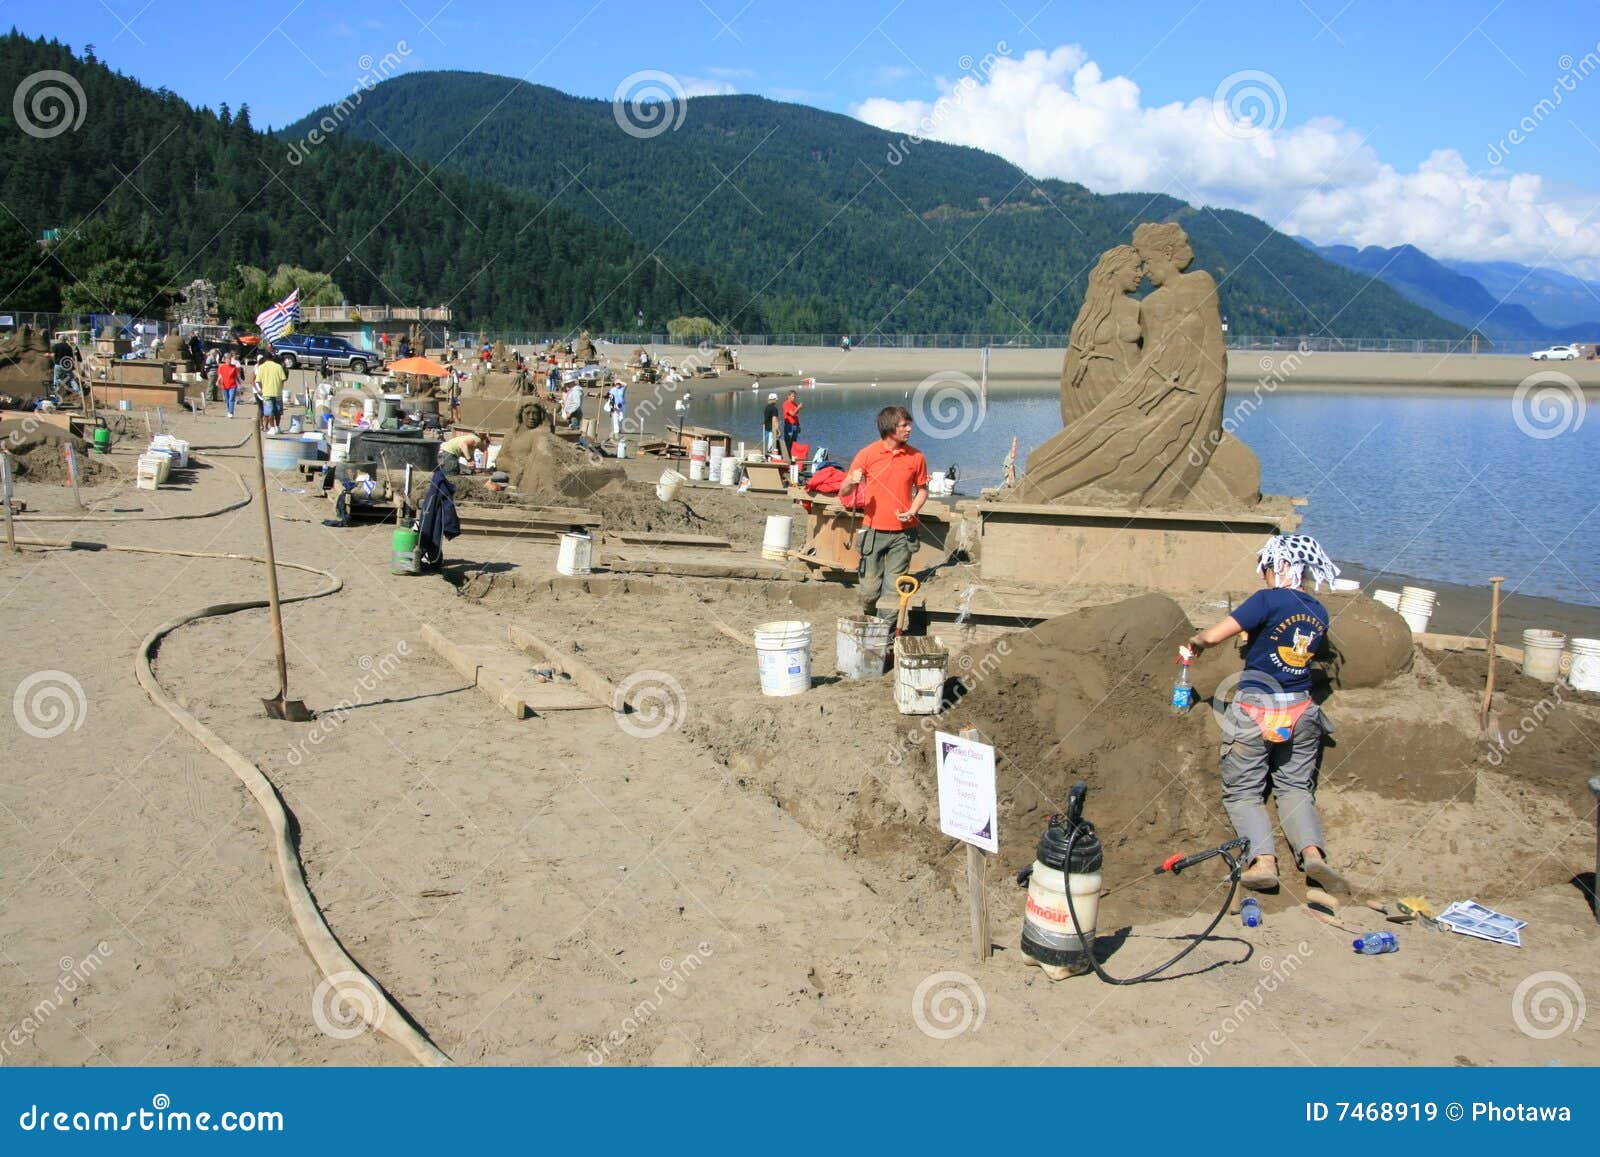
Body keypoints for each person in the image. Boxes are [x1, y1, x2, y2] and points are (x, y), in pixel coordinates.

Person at [1184, 534, 1348, 895]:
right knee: (1294, 787)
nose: (1263, 577)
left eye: (1267, 569)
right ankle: (1312, 853)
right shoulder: (1317, 610)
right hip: (1302, 711)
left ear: (1282, 567)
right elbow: (1290, 645)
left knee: (1243, 792)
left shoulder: (1265, 601)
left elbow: (1216, 635)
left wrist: (1196, 642)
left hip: (1258, 708)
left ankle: (1263, 862)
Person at [838, 406, 929, 622]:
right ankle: (870, 620)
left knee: (893, 590)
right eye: (904, 425)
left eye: (909, 424)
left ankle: (884, 636)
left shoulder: (917, 456)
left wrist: (913, 510)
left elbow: (923, 490)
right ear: (890, 429)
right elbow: (843, 492)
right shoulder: (867, 454)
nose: (909, 429)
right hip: (873, 531)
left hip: (903, 535)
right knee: (869, 591)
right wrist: (852, 480)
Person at [254, 350, 286, 433]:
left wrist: (262, 389)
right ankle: (278, 427)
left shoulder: (261, 367)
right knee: (278, 411)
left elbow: (258, 381)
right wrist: (280, 387)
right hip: (277, 391)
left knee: (270, 411)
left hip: (266, 392)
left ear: (265, 358)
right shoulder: (278, 366)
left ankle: (272, 428)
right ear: (272, 358)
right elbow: (283, 379)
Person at [217, 353, 241, 418]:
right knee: (227, 399)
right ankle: (229, 410)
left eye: (230, 359)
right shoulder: (221, 367)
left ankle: (231, 412)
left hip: (233, 385)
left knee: (231, 399)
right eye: (227, 359)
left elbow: (236, 376)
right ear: (224, 360)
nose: (229, 361)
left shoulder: (234, 367)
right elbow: (220, 375)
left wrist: (239, 383)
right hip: (224, 385)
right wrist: (217, 381)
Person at [762, 392, 782, 457]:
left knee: (768, 445)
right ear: (774, 399)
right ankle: (770, 458)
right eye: (776, 399)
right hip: (771, 429)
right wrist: (778, 430)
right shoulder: (774, 409)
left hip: (766, 428)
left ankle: (767, 456)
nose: (776, 401)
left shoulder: (766, 407)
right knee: (771, 446)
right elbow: (774, 420)